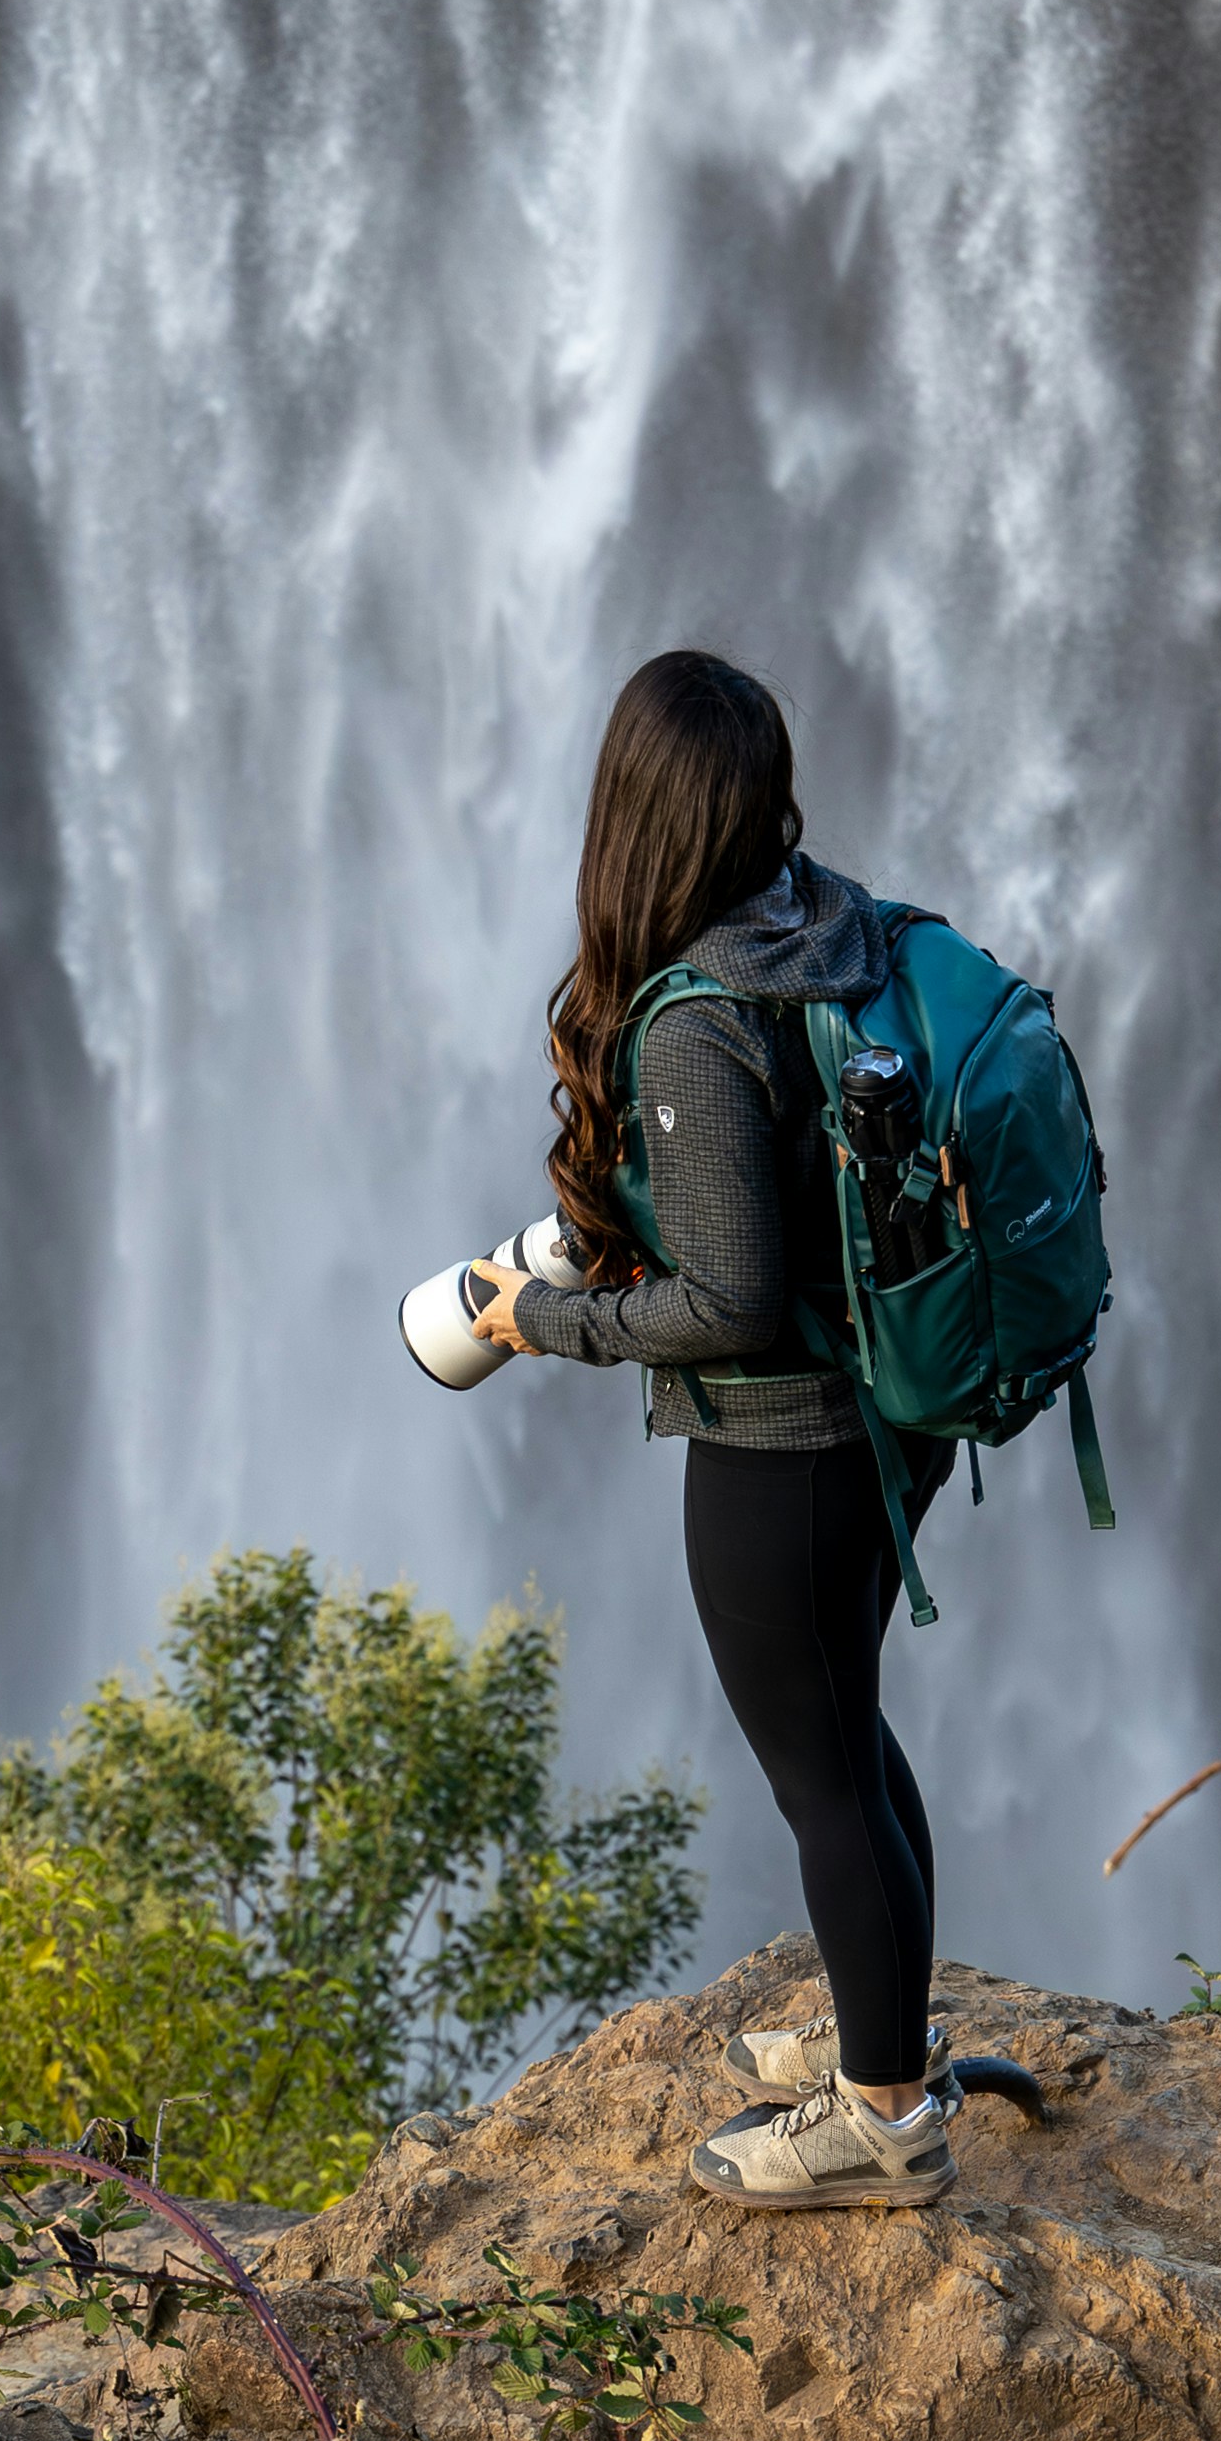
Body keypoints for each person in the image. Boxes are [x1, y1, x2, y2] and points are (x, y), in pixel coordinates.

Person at [461, 650, 955, 2213]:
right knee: (853, 1737)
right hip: (896, 1408)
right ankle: (894, 2042)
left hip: (784, 1445)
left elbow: (731, 1302)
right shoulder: (832, 919)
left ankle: (883, 2124)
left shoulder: (690, 1020)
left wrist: (539, 1322)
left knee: (821, 1774)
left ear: (631, 816)